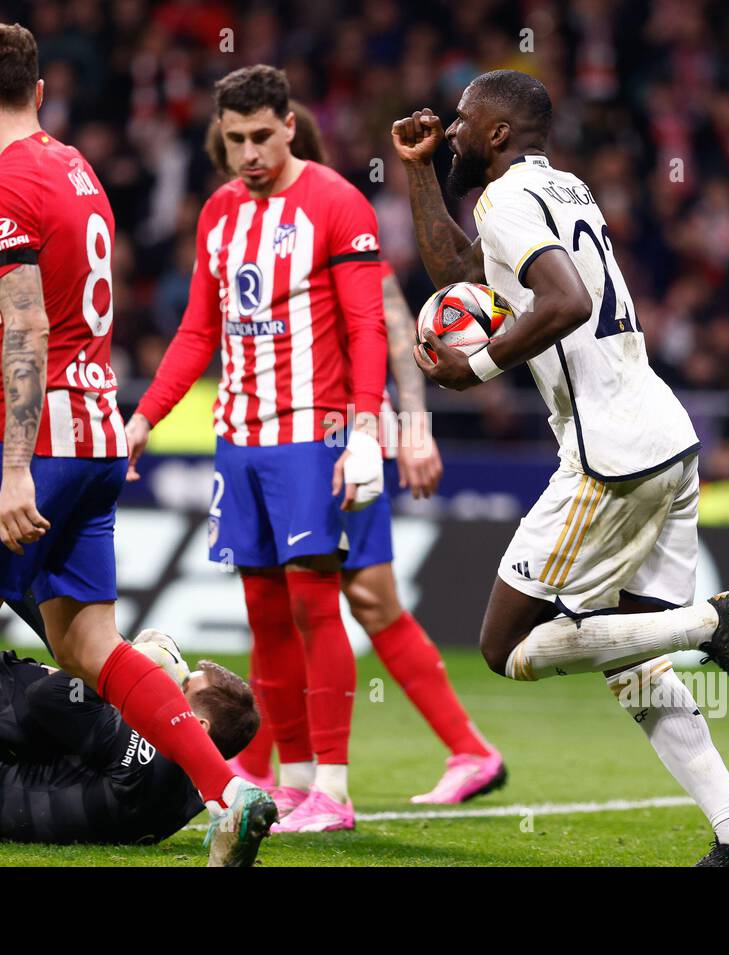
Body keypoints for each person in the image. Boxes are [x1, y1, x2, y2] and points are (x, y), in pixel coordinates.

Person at [0, 21, 274, 868]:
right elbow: (70, 328)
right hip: (97, 432)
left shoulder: (1, 185)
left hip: (36, 440)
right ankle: (231, 788)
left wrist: (9, 462)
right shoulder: (79, 171)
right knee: (88, 644)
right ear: (39, 92)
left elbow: (34, 325)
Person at [392, 70, 729, 866]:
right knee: (630, 662)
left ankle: (713, 624)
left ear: (499, 134)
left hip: (610, 457)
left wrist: (479, 369)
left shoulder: (509, 201)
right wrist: (421, 169)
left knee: (507, 646)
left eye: (464, 122)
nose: (455, 129)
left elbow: (563, 300)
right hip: (665, 439)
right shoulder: (561, 190)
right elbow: (464, 277)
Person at [203, 102, 507, 805]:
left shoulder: (325, 219)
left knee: (326, 599)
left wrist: (411, 429)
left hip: (337, 441)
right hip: (308, 435)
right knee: (355, 599)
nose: (241, 164)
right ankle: (464, 749)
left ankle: (272, 765)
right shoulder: (255, 224)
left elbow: (395, 323)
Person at [124, 65, 388, 834]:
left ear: (289, 125)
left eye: (260, 136)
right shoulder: (218, 213)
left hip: (311, 436)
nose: (247, 152)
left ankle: (333, 789)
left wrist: (364, 425)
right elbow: (198, 333)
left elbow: (367, 326)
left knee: (314, 603)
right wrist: (143, 418)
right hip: (238, 439)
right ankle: (295, 779)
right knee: (264, 617)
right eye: (235, 138)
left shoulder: (338, 203)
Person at [0, 638, 259, 847]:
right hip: (11, 795)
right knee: (78, 710)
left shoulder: (149, 754)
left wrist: (128, 658)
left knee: (18, 682)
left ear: (198, 725)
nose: (164, 687)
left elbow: (48, 696)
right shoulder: (188, 792)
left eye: (181, 688)